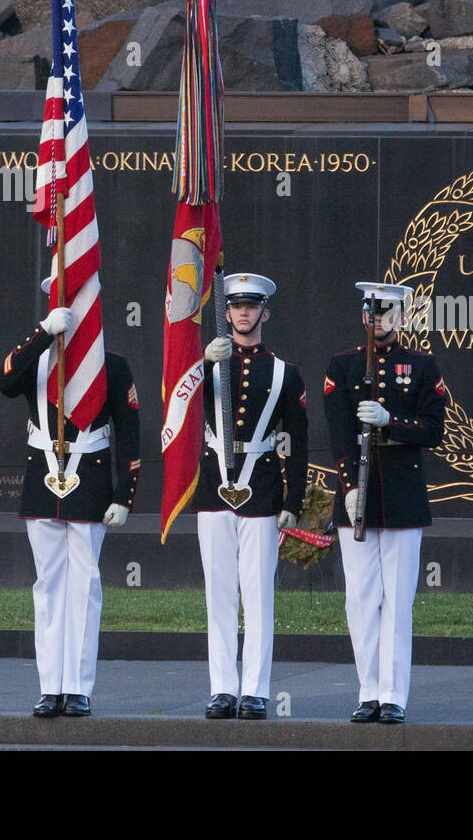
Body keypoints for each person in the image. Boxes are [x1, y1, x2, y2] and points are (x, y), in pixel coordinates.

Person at [0, 279, 140, 718]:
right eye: (62, 305)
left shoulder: (110, 365)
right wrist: (43, 331)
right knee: (48, 586)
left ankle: (77, 686)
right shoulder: (36, 360)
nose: (71, 314)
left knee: (85, 585)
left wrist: (125, 495)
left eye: (76, 305)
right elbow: (4, 381)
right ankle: (49, 686)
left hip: (90, 480)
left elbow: (130, 435)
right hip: (44, 478)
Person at [323, 282, 447, 724]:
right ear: (363, 316)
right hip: (357, 496)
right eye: (373, 312)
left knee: (396, 600)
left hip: (400, 496)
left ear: (401, 316)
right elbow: (337, 431)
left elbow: (435, 430)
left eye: (388, 312)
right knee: (360, 598)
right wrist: (349, 488)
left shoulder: (420, 366)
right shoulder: (344, 365)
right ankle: (368, 690)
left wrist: (391, 422)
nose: (379, 320)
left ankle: (393, 694)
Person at [193, 273, 308, 720]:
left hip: (260, 486)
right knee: (218, 593)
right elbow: (178, 405)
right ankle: (223, 688)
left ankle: (256, 689)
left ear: (265, 312)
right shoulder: (207, 365)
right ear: (225, 312)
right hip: (212, 484)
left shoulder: (284, 373)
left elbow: (295, 442)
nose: (243, 313)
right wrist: (201, 363)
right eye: (236, 306)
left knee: (258, 595)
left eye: (251, 305)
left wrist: (292, 502)